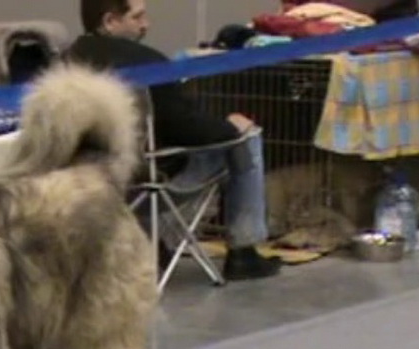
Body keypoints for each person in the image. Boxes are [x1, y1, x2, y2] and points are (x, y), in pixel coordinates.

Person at [66, 0, 282, 281]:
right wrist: (230, 127)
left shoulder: (65, 62)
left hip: (85, 186)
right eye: (138, 17)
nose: (147, 25)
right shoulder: (147, 61)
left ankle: (154, 244)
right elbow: (186, 128)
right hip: (147, 183)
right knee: (246, 138)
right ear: (110, 21)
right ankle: (244, 252)